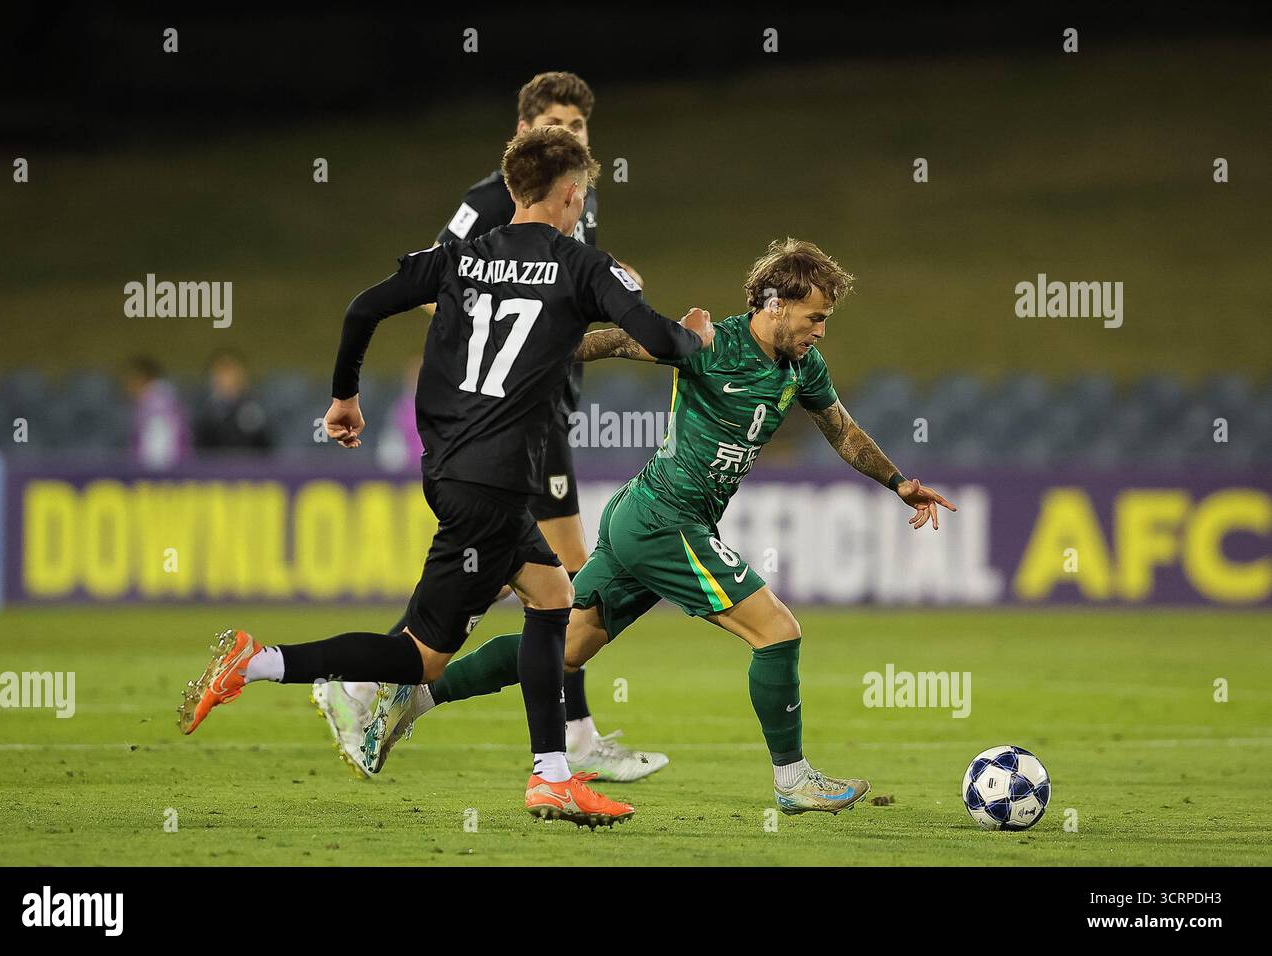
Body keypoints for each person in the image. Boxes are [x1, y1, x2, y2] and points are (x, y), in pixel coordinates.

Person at [177, 127, 711, 827]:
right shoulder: (582, 265)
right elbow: (664, 340)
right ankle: (255, 663)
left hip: (456, 468)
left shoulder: (459, 258)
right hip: (491, 487)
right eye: (583, 195)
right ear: (572, 194)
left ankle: (552, 774)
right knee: (419, 659)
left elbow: (362, 307)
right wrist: (694, 334)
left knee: (553, 598)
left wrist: (344, 396)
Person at [363, 238, 958, 815]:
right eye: (815, 316)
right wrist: (545, 352)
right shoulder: (710, 345)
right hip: (664, 520)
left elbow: (842, 430)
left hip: (644, 518)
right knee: (778, 632)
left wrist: (899, 482)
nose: (821, 330)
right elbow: (622, 341)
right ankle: (793, 780)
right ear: (776, 303)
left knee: (562, 650)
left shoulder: (803, 366)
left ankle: (414, 695)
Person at [316, 70, 666, 783]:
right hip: (508, 422)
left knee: (508, 577)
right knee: (562, 579)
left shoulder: (580, 201)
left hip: (542, 417)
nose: (572, 137)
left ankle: (373, 688)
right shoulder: (490, 203)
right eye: (559, 124)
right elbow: (441, 292)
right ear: (525, 131)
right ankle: (565, 737)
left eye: (580, 127)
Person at [191, 349, 273, 453]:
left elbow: (267, 449)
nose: (227, 379)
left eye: (232, 372)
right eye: (222, 372)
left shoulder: (257, 408)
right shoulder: (200, 409)